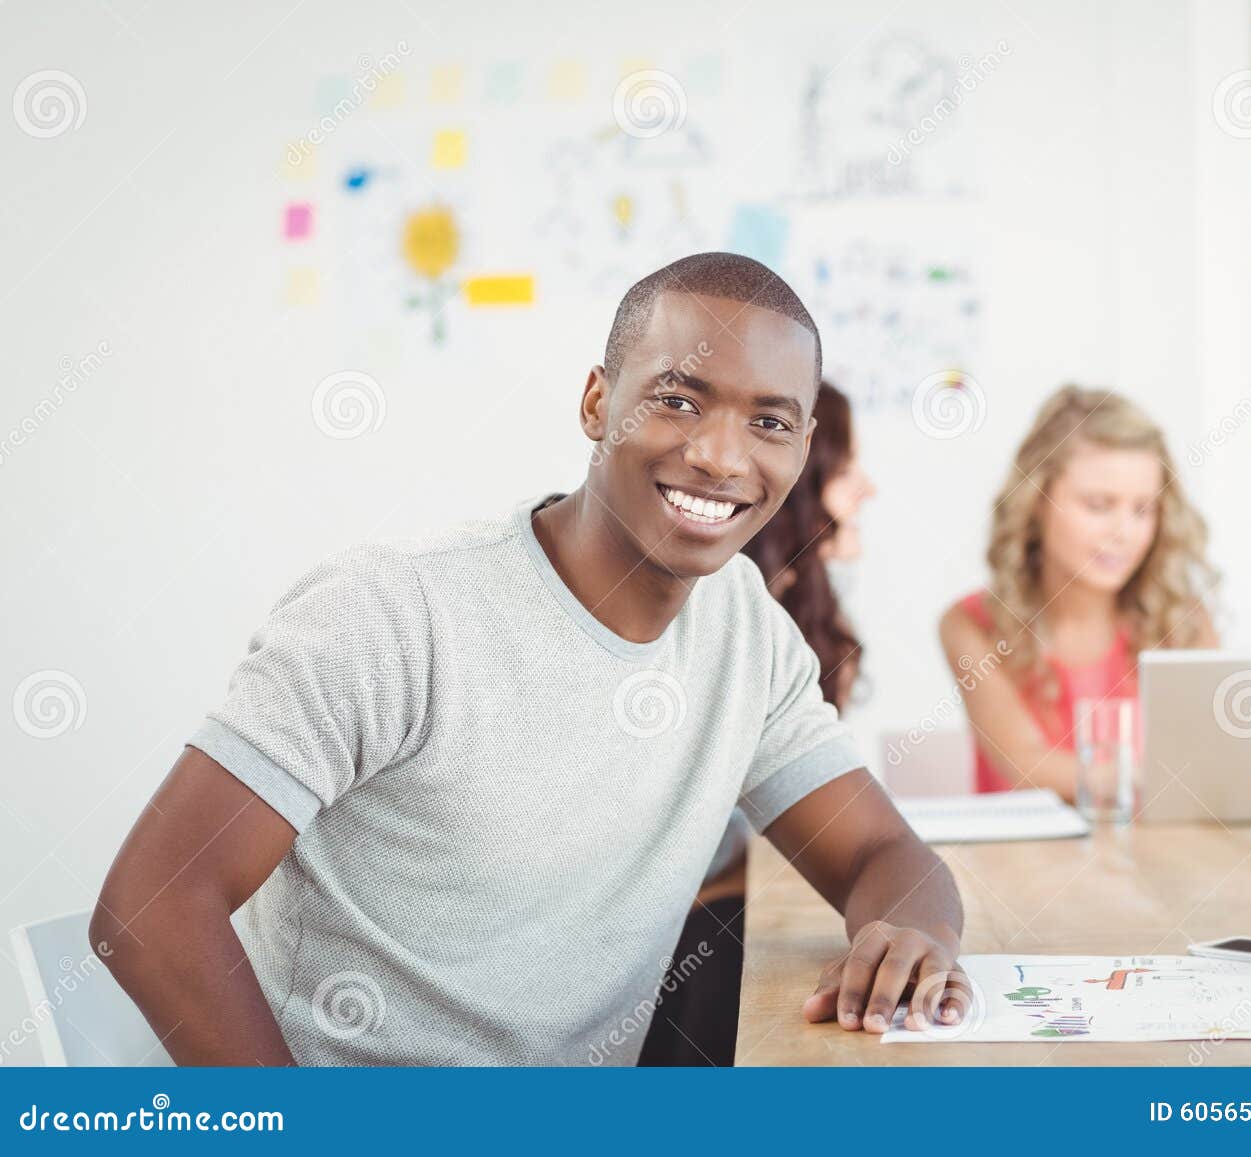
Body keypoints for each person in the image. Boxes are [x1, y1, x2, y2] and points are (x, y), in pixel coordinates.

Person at [91, 253, 964, 1066]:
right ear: (596, 403)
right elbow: (149, 909)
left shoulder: (746, 627)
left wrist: (909, 933)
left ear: (802, 448)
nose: (721, 455)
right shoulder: (393, 611)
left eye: (768, 421)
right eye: (678, 399)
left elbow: (882, 852)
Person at [639, 380, 875, 1066]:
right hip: (689, 928)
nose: (868, 487)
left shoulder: (803, 625)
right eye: (850, 465)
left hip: (742, 900)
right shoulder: (698, 621)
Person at [939, 386, 1219, 799]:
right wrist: (1167, 780)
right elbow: (1026, 765)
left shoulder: (1183, 623)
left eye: (1143, 509)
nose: (1124, 534)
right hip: (1019, 863)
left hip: (1153, 861)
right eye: (1099, 505)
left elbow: (1214, 759)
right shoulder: (972, 626)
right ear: (1037, 501)